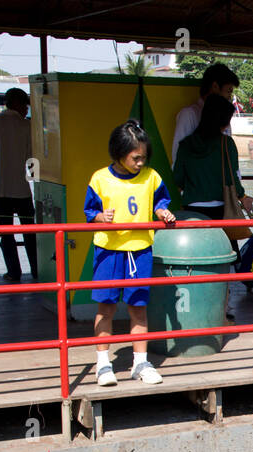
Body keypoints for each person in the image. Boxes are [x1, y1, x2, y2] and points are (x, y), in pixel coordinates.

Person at [84, 121, 175, 387]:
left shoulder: (152, 176)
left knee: (138, 308)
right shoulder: (100, 178)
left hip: (140, 251)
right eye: (135, 158)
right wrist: (101, 217)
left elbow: (160, 201)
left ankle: (141, 362)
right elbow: (89, 212)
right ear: (119, 153)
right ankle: (103, 364)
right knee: (106, 307)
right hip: (109, 251)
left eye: (143, 158)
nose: (139, 163)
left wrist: (162, 212)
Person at [0, 87, 37, 282]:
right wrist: (35, 183)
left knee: (6, 234)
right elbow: (32, 160)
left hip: (0, 189)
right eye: (25, 106)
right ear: (18, 104)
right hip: (22, 190)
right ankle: (37, 270)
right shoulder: (26, 126)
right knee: (31, 233)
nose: (26, 110)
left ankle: (13, 272)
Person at [173, 94, 253, 220]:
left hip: (191, 210)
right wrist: (242, 197)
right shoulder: (226, 143)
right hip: (220, 210)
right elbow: (232, 178)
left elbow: (178, 178)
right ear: (223, 120)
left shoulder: (185, 144)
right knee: (225, 240)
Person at [171, 63, 239, 166]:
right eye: (228, 91)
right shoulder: (189, 115)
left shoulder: (224, 117)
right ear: (215, 86)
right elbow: (178, 158)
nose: (230, 97)